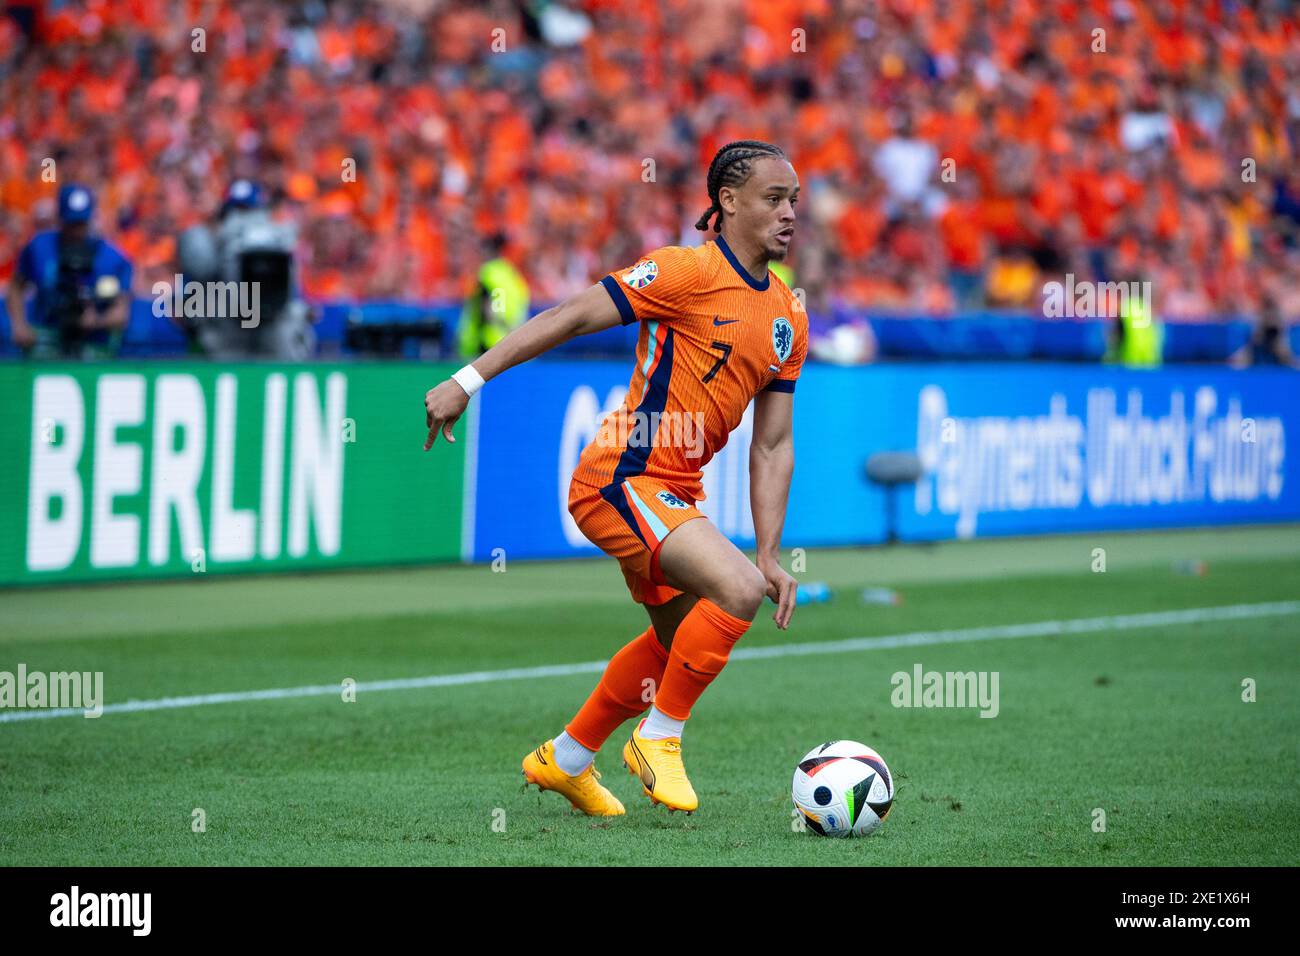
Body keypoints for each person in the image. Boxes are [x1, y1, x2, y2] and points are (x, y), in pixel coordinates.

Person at [423, 140, 807, 816]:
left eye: (793, 202)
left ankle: (567, 759)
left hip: (673, 489)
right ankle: (659, 737)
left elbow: (772, 444)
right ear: (728, 202)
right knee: (737, 591)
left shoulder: (788, 313)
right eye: (774, 199)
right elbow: (569, 316)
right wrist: (467, 379)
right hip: (620, 476)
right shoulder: (683, 272)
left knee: (675, 643)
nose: (788, 214)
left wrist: (771, 551)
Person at [6, 184, 133, 359]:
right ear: (60, 218)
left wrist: (95, 320)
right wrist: (19, 325)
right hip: (46, 335)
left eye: (81, 223)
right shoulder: (39, 248)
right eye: (71, 223)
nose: (77, 231)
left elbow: (121, 313)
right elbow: (15, 286)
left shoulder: (112, 259)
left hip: (93, 341)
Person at [457, 232, 530, 359]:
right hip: (509, 342)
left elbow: (491, 309)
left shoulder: (488, 274)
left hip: (486, 342)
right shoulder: (512, 275)